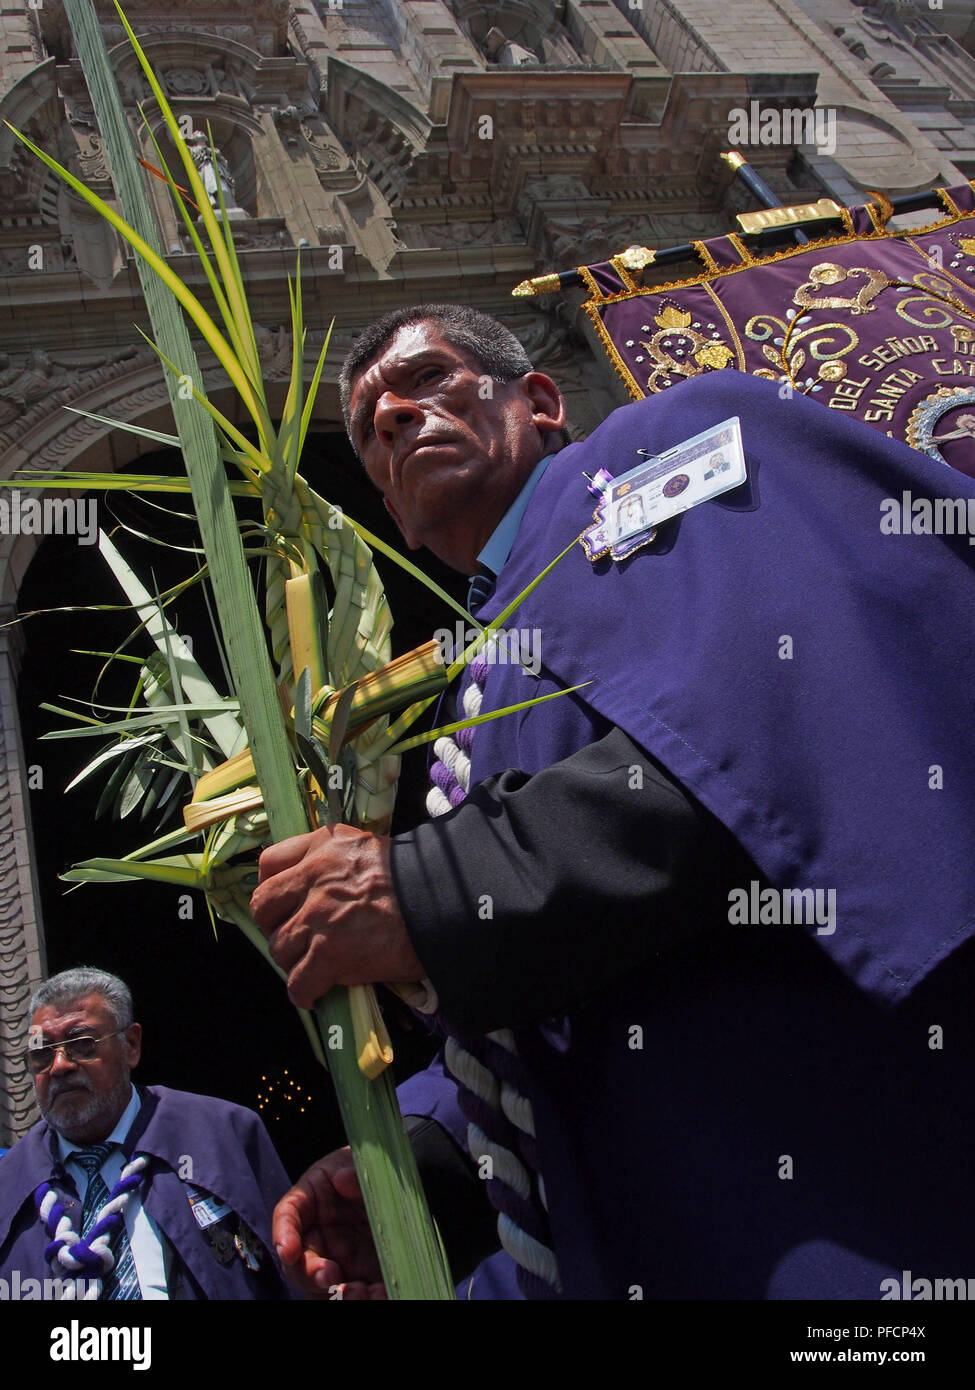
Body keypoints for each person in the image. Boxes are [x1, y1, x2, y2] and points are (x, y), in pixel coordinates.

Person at [250, 304, 975, 1300]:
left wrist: (436, 889)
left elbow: (774, 719)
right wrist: (434, 1161)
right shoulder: (483, 668)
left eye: (427, 380)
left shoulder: (667, 448)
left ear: (540, 400)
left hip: (867, 1202)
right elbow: (607, 984)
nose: (391, 418)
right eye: (371, 423)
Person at [0, 967, 296, 1299]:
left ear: (131, 1045)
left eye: (82, 1044)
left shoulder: (222, 1135)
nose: (59, 1066)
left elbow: (294, 1276)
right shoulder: (9, 1185)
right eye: (41, 1053)